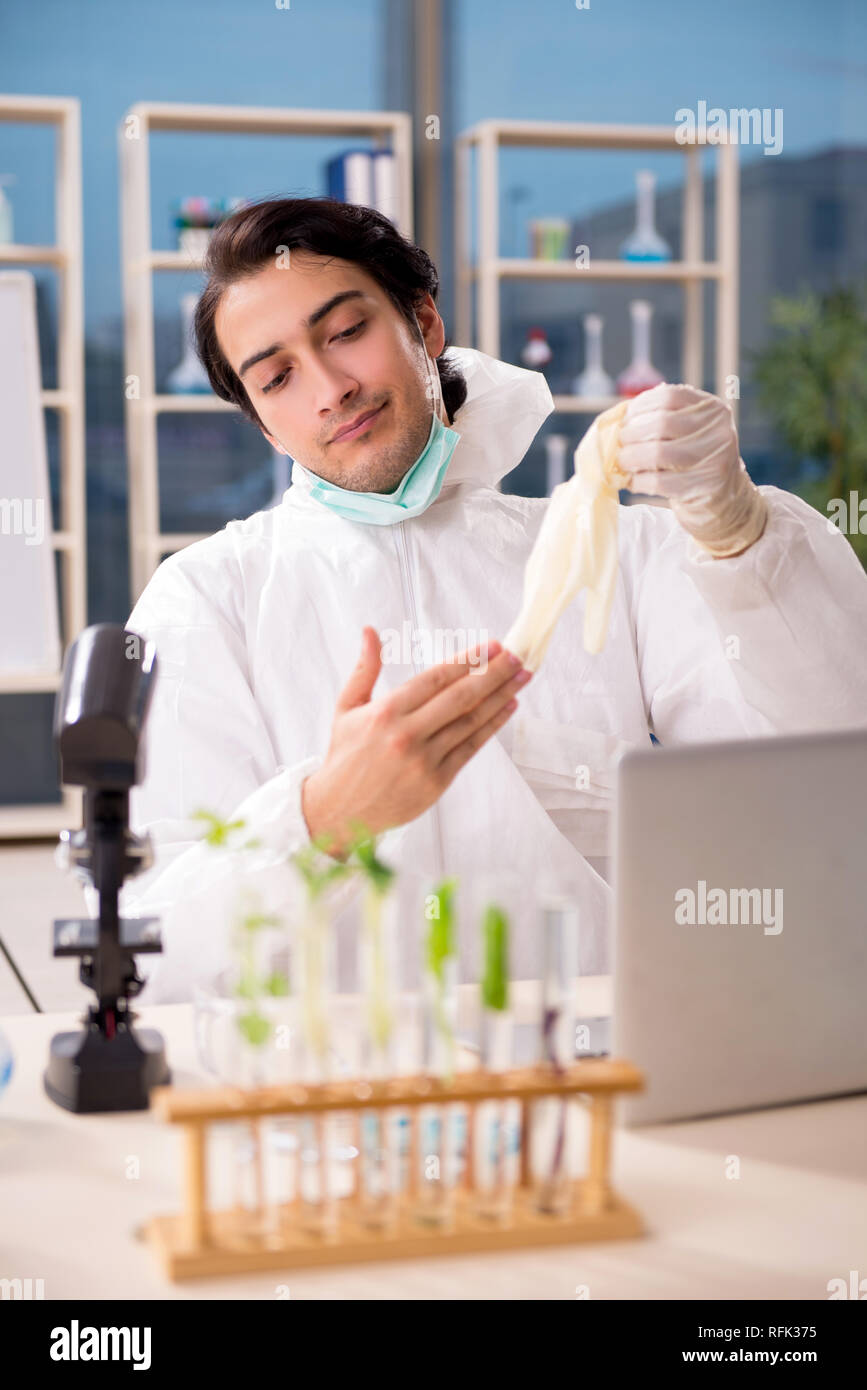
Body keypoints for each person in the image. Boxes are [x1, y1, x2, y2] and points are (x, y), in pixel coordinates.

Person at [121, 196, 867, 1001]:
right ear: (264, 425)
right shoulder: (204, 602)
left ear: (423, 322)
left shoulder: (616, 554)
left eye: (345, 333)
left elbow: (823, 785)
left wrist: (740, 539)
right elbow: (155, 953)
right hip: (336, 1093)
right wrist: (322, 817)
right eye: (276, 377)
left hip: (597, 1075)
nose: (329, 388)